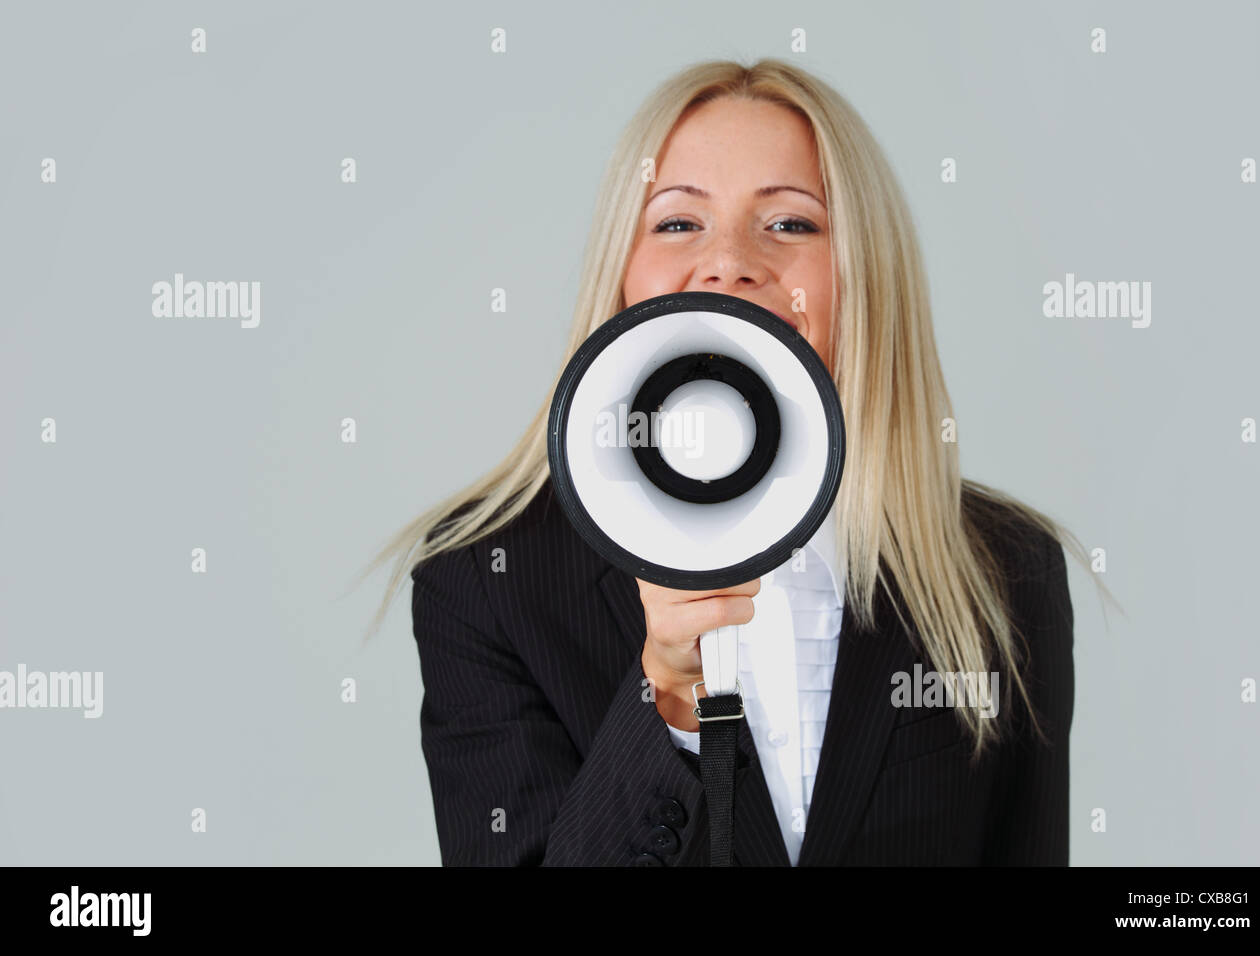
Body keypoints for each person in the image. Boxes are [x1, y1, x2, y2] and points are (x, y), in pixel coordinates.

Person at [365, 58, 1093, 866]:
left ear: (863, 274)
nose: (729, 262)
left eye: (790, 223)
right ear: (622, 275)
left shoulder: (1003, 570)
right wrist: (663, 701)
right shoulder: (485, 580)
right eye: (678, 223)